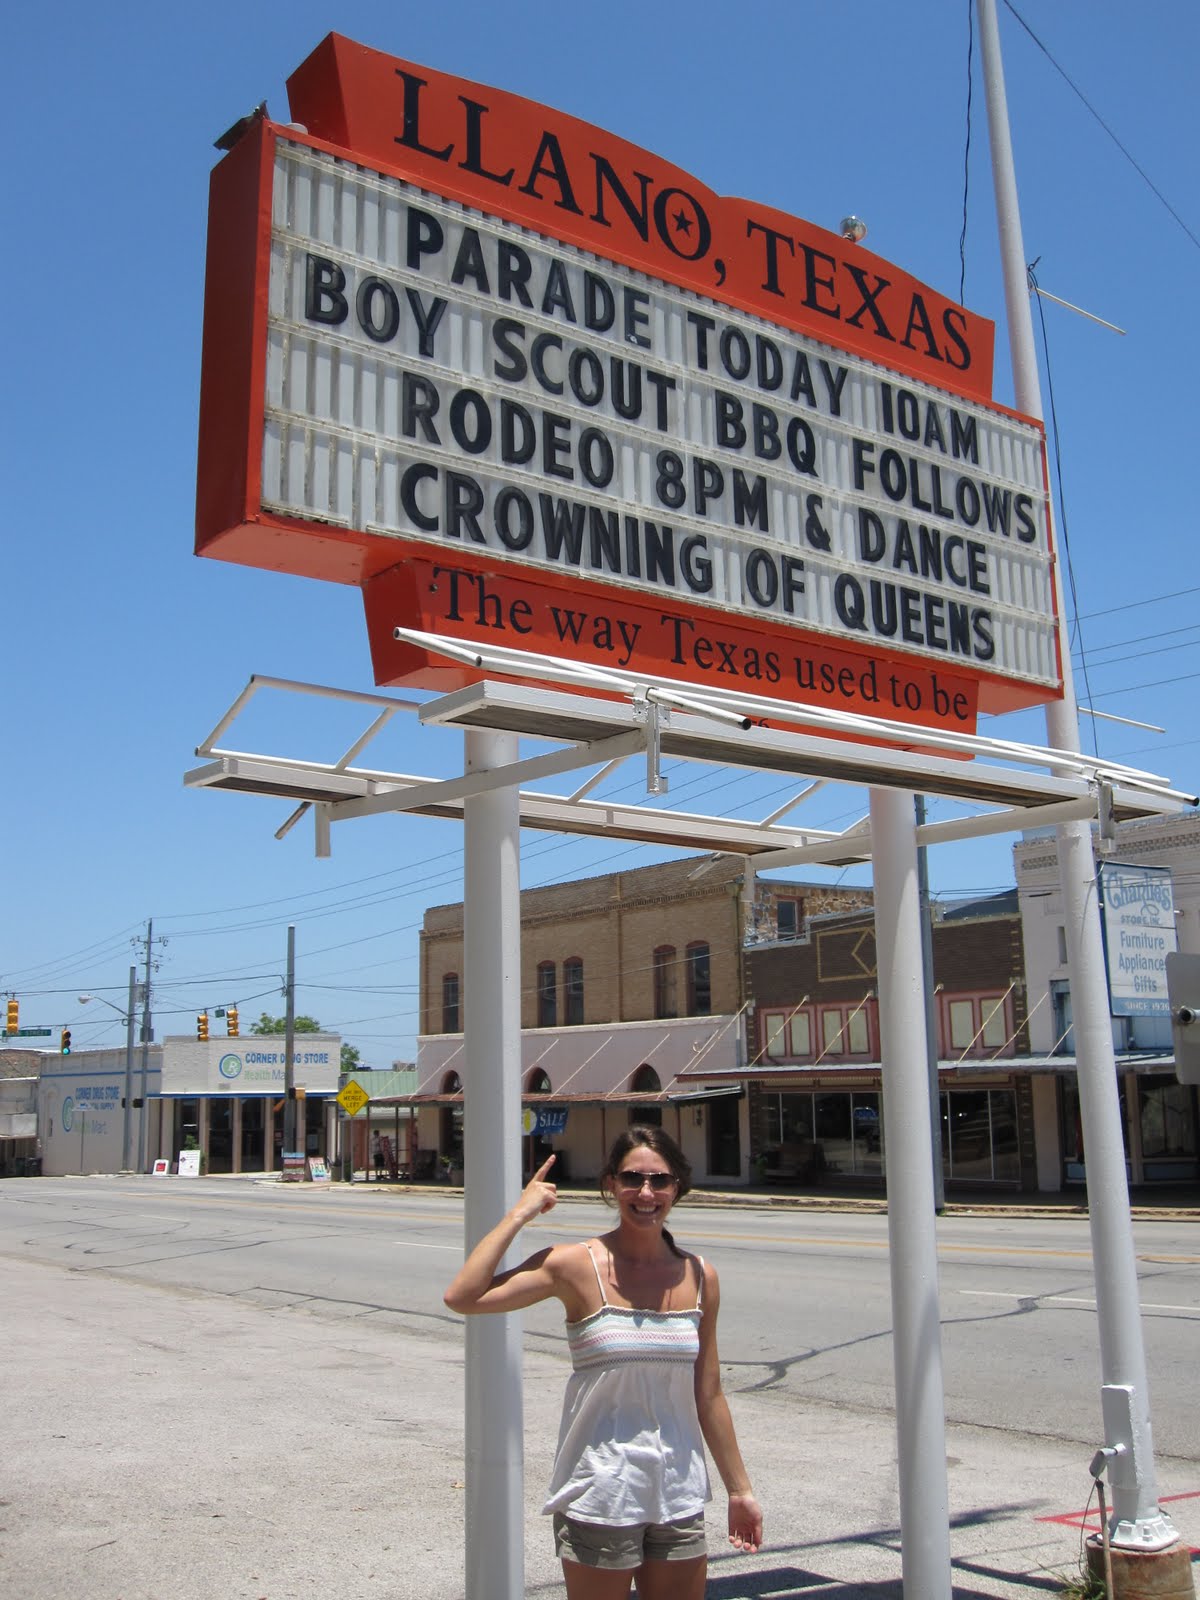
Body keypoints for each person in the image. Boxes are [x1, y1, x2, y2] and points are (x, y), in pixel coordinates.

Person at [444, 1125, 762, 1599]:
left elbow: (708, 1393)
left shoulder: (700, 1275)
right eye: (632, 1178)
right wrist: (520, 1214)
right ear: (610, 1184)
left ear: (678, 1187)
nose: (646, 1192)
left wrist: (740, 1491)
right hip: (601, 1491)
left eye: (661, 1180)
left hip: (678, 1491)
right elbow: (464, 1296)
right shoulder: (573, 1264)